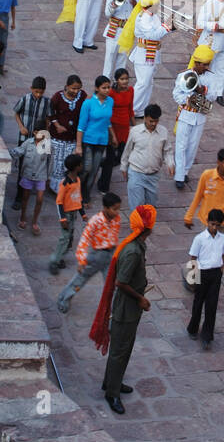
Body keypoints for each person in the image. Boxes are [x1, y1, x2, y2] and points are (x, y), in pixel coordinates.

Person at [90, 203, 157, 414]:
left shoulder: (136, 246)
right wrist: (140, 299)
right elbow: (121, 282)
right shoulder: (133, 252)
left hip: (131, 308)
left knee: (124, 348)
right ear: (149, 228)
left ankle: (112, 382)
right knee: (120, 350)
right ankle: (112, 393)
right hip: (125, 309)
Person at [57, 192, 122, 315]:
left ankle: (113, 311)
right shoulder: (95, 221)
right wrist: (82, 260)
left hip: (111, 255)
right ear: (106, 208)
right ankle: (63, 299)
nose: (117, 212)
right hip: (96, 256)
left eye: (118, 209)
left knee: (111, 285)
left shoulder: (116, 219)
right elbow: (85, 239)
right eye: (115, 209)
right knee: (80, 280)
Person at [172, 46, 220, 190]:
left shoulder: (211, 77)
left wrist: (203, 91)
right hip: (186, 114)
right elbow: (176, 95)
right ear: (196, 63)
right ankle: (179, 176)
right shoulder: (184, 75)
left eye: (207, 64)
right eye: (203, 64)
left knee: (192, 146)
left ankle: (185, 171)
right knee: (180, 145)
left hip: (200, 116)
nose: (206, 67)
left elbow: (214, 95)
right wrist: (190, 97)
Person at [186, 208, 224, 350]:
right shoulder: (199, 239)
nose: (214, 227)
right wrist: (193, 276)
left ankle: (207, 336)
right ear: (207, 222)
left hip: (215, 274)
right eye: (212, 224)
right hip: (202, 273)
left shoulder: (222, 238)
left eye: (217, 225)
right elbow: (193, 257)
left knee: (212, 305)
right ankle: (193, 328)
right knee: (198, 303)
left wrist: (222, 269)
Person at [120, 104, 173, 211]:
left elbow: (167, 151)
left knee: (150, 208)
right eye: (151, 121)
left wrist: (170, 164)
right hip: (136, 173)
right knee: (137, 207)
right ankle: (136, 227)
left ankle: (146, 227)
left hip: (153, 176)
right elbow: (127, 150)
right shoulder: (135, 131)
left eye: (156, 121)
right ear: (144, 118)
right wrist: (124, 167)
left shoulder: (163, 132)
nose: (153, 124)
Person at [76, 75, 117, 204]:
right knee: (87, 167)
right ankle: (78, 187)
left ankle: (86, 192)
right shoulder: (88, 103)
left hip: (102, 140)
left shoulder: (110, 101)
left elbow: (107, 121)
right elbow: (81, 126)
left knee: (94, 169)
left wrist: (113, 135)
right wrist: (78, 145)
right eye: (104, 88)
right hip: (88, 140)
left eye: (108, 87)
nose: (107, 90)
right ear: (97, 88)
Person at [12, 77, 51, 209]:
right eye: (36, 92)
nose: (38, 95)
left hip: (39, 140)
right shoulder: (25, 99)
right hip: (25, 138)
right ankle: (19, 196)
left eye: (41, 92)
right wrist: (21, 127)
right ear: (31, 89)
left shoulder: (46, 102)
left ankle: (31, 190)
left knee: (37, 163)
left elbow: (47, 119)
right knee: (23, 166)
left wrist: (46, 135)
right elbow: (16, 113)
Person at [195, 0, 224, 105]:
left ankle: (218, 93)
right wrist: (213, 26)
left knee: (221, 68)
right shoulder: (209, 2)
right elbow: (200, 22)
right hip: (210, 39)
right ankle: (201, 90)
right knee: (205, 67)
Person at [184, 150, 224, 238]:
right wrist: (188, 216)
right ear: (218, 162)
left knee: (218, 247)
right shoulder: (207, 175)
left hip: (222, 221)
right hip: (207, 220)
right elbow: (198, 196)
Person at [97, 68, 135, 194]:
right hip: (113, 127)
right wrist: (110, 132)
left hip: (124, 128)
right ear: (117, 80)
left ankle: (100, 164)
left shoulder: (131, 90)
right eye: (122, 79)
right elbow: (107, 112)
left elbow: (130, 109)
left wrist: (134, 127)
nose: (125, 81)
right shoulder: (111, 93)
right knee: (110, 156)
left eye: (126, 79)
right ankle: (103, 185)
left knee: (121, 156)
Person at [48, 75, 86, 194]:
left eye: (78, 88)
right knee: (57, 163)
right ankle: (55, 188)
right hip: (58, 138)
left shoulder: (82, 96)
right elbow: (50, 112)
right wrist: (57, 125)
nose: (76, 91)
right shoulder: (58, 97)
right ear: (67, 86)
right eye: (73, 88)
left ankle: (66, 188)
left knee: (69, 163)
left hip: (72, 138)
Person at [12, 128, 52, 234]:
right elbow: (18, 151)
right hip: (28, 174)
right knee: (25, 197)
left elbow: (50, 161)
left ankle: (34, 221)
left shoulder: (47, 145)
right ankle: (22, 217)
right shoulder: (27, 143)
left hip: (41, 175)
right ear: (34, 132)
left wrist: (49, 177)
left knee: (39, 199)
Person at [49, 152, 84, 273]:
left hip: (73, 214)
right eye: (81, 164)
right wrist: (62, 219)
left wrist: (82, 213)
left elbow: (78, 198)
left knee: (69, 238)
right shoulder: (65, 183)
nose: (82, 166)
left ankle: (60, 257)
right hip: (66, 215)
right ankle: (54, 261)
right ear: (76, 167)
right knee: (64, 238)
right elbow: (59, 202)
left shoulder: (77, 180)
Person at [102, 0, 138, 78]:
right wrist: (114, 4)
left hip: (126, 32)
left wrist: (136, 7)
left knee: (122, 60)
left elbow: (139, 19)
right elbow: (107, 14)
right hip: (113, 30)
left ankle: (118, 83)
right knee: (109, 58)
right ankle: (105, 81)